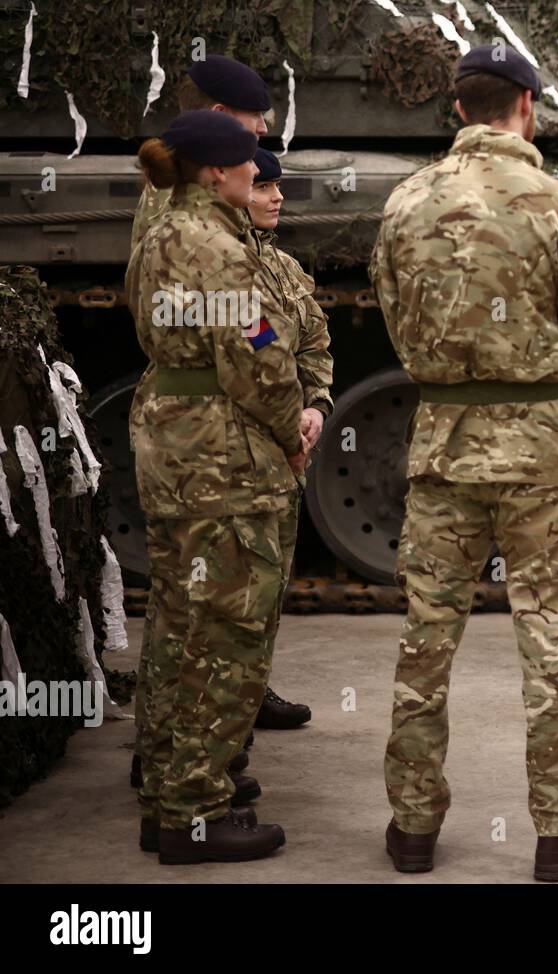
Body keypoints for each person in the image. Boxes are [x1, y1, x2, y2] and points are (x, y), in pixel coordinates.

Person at [370, 45, 558, 882]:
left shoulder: (405, 203)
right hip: (541, 451)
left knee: (425, 640)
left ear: (456, 112)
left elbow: (398, 327)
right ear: (527, 104)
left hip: (443, 444)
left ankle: (411, 828)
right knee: (548, 639)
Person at [128, 54, 307, 806]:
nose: (257, 172)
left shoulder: (158, 233)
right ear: (214, 173)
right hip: (219, 454)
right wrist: (291, 425)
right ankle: (191, 802)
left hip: (167, 441)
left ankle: (165, 773)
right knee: (220, 627)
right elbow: (258, 359)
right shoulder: (219, 250)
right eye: (246, 162)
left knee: (175, 616)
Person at [245, 146, 335, 695]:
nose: (276, 196)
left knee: (274, 574)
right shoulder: (221, 266)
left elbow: (314, 343)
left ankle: (254, 688)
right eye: (262, 186)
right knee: (238, 582)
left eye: (278, 186)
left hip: (286, 443)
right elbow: (253, 356)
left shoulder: (283, 268)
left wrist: (316, 406)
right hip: (243, 444)